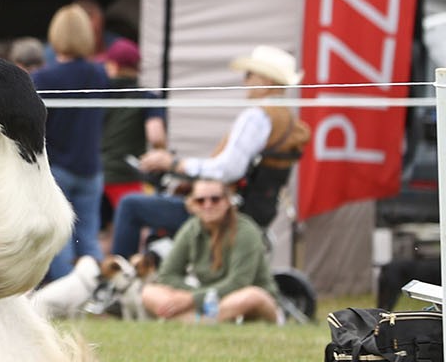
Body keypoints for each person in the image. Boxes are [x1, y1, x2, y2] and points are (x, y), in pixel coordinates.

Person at [110, 45, 307, 258]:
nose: (245, 81)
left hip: (218, 210)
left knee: (130, 205)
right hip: (250, 210)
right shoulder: (287, 120)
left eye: (250, 74)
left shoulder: (257, 117)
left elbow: (227, 169)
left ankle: (120, 282)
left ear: (267, 81)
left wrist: (173, 163)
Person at [31, 3, 108, 281]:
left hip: (57, 168)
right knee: (89, 238)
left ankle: (66, 294)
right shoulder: (99, 75)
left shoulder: (42, 78)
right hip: (91, 167)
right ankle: (96, 292)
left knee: (59, 240)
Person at [139, 178, 283, 322]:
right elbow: (167, 275)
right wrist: (192, 297)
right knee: (149, 292)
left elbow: (239, 283)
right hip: (210, 301)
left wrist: (192, 299)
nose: (208, 205)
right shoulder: (190, 229)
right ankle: (203, 321)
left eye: (215, 199)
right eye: (200, 200)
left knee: (252, 296)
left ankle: (195, 321)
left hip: (243, 301)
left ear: (227, 201)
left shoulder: (246, 231)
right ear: (192, 205)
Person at [98, 38, 167, 220]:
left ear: (112, 65)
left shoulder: (95, 95)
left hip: (93, 176)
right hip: (127, 176)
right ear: (137, 67)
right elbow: (156, 136)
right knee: (131, 231)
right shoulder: (148, 97)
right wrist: (161, 154)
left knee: (93, 233)